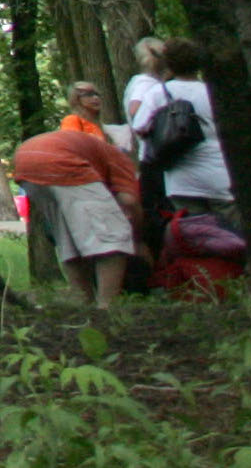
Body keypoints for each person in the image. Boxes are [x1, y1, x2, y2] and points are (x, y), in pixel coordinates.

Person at [13, 125, 141, 308]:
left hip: (25, 163)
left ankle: (83, 299)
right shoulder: (120, 159)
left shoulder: (95, 149)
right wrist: (136, 231)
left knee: (69, 240)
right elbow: (128, 200)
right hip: (62, 162)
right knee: (113, 237)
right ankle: (107, 306)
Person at [124, 37, 234, 225]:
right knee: (233, 232)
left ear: (169, 65)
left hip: (182, 181)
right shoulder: (213, 92)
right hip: (219, 174)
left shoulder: (159, 93)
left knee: (196, 234)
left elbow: (139, 126)